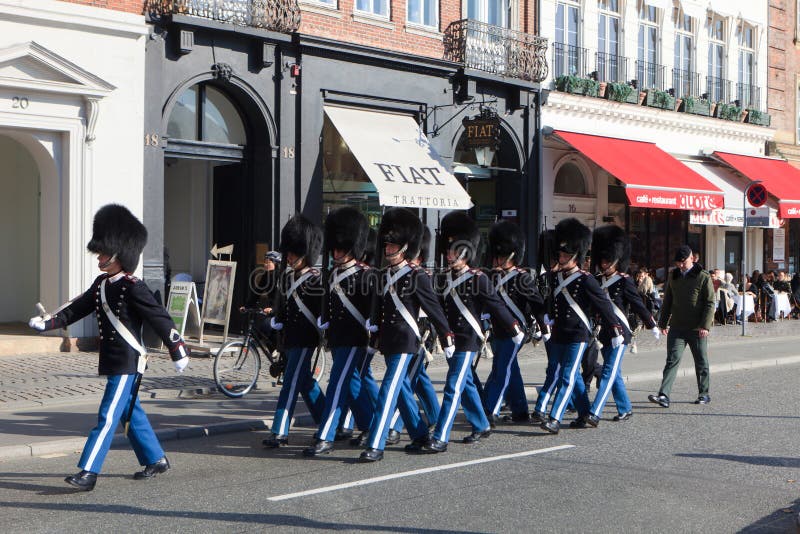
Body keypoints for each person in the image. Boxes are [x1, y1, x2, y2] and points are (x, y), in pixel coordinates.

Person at [29, 204, 189, 492]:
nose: (99, 257)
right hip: (114, 359)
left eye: (104, 253)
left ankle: (88, 471)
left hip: (129, 360)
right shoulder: (102, 284)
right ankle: (156, 459)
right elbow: (75, 309)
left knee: (108, 415)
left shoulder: (133, 286)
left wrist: (177, 348)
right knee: (129, 411)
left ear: (119, 255)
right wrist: (49, 322)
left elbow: (160, 317)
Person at [421, 212, 523, 453]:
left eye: (453, 252)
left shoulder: (478, 278)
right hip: (451, 339)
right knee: (466, 383)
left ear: (465, 253)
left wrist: (514, 328)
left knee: (453, 386)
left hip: (468, 338)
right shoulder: (443, 278)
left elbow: (496, 305)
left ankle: (441, 436)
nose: (448, 256)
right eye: (447, 252)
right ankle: (482, 424)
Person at [359, 208, 454, 462]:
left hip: (406, 338)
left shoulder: (416, 275)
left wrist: (446, 336)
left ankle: (376, 443)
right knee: (401, 389)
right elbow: (378, 307)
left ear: (404, 247)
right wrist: (373, 330)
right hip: (388, 339)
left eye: (392, 246)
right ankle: (420, 433)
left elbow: (434, 308)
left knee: (388, 389)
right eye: (386, 245)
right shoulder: (383, 274)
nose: (387, 249)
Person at [304, 207, 377, 456]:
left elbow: (372, 309)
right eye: (334, 249)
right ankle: (370, 426)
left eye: (341, 249)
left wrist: (372, 331)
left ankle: (327, 435)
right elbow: (328, 302)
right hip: (337, 337)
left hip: (355, 338)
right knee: (353, 384)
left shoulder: (366, 275)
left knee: (336, 383)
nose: (336, 253)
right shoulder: (333, 273)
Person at [539, 218, 623, 435]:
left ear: (576, 256)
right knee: (572, 377)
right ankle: (585, 412)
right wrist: (546, 317)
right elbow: (550, 301)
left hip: (578, 334)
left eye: (566, 255)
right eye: (560, 254)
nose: (561, 258)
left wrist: (615, 328)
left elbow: (604, 305)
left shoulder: (586, 279)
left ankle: (555, 417)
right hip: (559, 333)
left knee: (567, 375)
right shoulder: (555, 277)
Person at [582, 225, 658, 426]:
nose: (604, 264)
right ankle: (625, 408)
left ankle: (594, 412)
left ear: (617, 260)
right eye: (602, 260)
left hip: (620, 333)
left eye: (607, 260)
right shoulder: (596, 280)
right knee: (613, 374)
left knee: (607, 373)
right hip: (603, 334)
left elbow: (637, 304)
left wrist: (652, 323)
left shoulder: (624, 281)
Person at [262, 215, 326, 447]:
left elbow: (322, 310)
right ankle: (326, 419)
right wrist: (278, 320)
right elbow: (285, 305)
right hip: (290, 337)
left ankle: (280, 430)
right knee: (305, 382)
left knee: (290, 381)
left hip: (307, 337)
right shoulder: (288, 278)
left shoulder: (316, 280)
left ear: (305, 252)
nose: (289, 257)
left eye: (293, 253)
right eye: (288, 252)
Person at [483, 219, 549, 425]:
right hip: (497, 330)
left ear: (512, 255)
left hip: (516, 331)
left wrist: (545, 327)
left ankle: (490, 409)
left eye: (501, 255)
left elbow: (538, 304)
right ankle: (520, 410)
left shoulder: (523, 278)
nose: (497, 259)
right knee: (510, 370)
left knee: (502, 370)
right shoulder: (492, 277)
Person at [386, 226, 441, 444]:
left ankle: (396, 425)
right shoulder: (398, 274)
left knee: (405, 380)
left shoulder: (422, 275)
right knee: (418, 379)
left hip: (421, 331)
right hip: (405, 332)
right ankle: (436, 415)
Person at [648, 245, 715, 408]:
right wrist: (663, 323)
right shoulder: (674, 276)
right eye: (678, 262)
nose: (680, 265)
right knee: (672, 360)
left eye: (683, 262)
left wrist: (705, 325)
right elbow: (668, 301)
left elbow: (710, 302)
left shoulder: (703, 276)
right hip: (677, 326)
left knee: (701, 361)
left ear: (692, 258)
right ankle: (663, 395)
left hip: (697, 328)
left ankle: (704, 393)